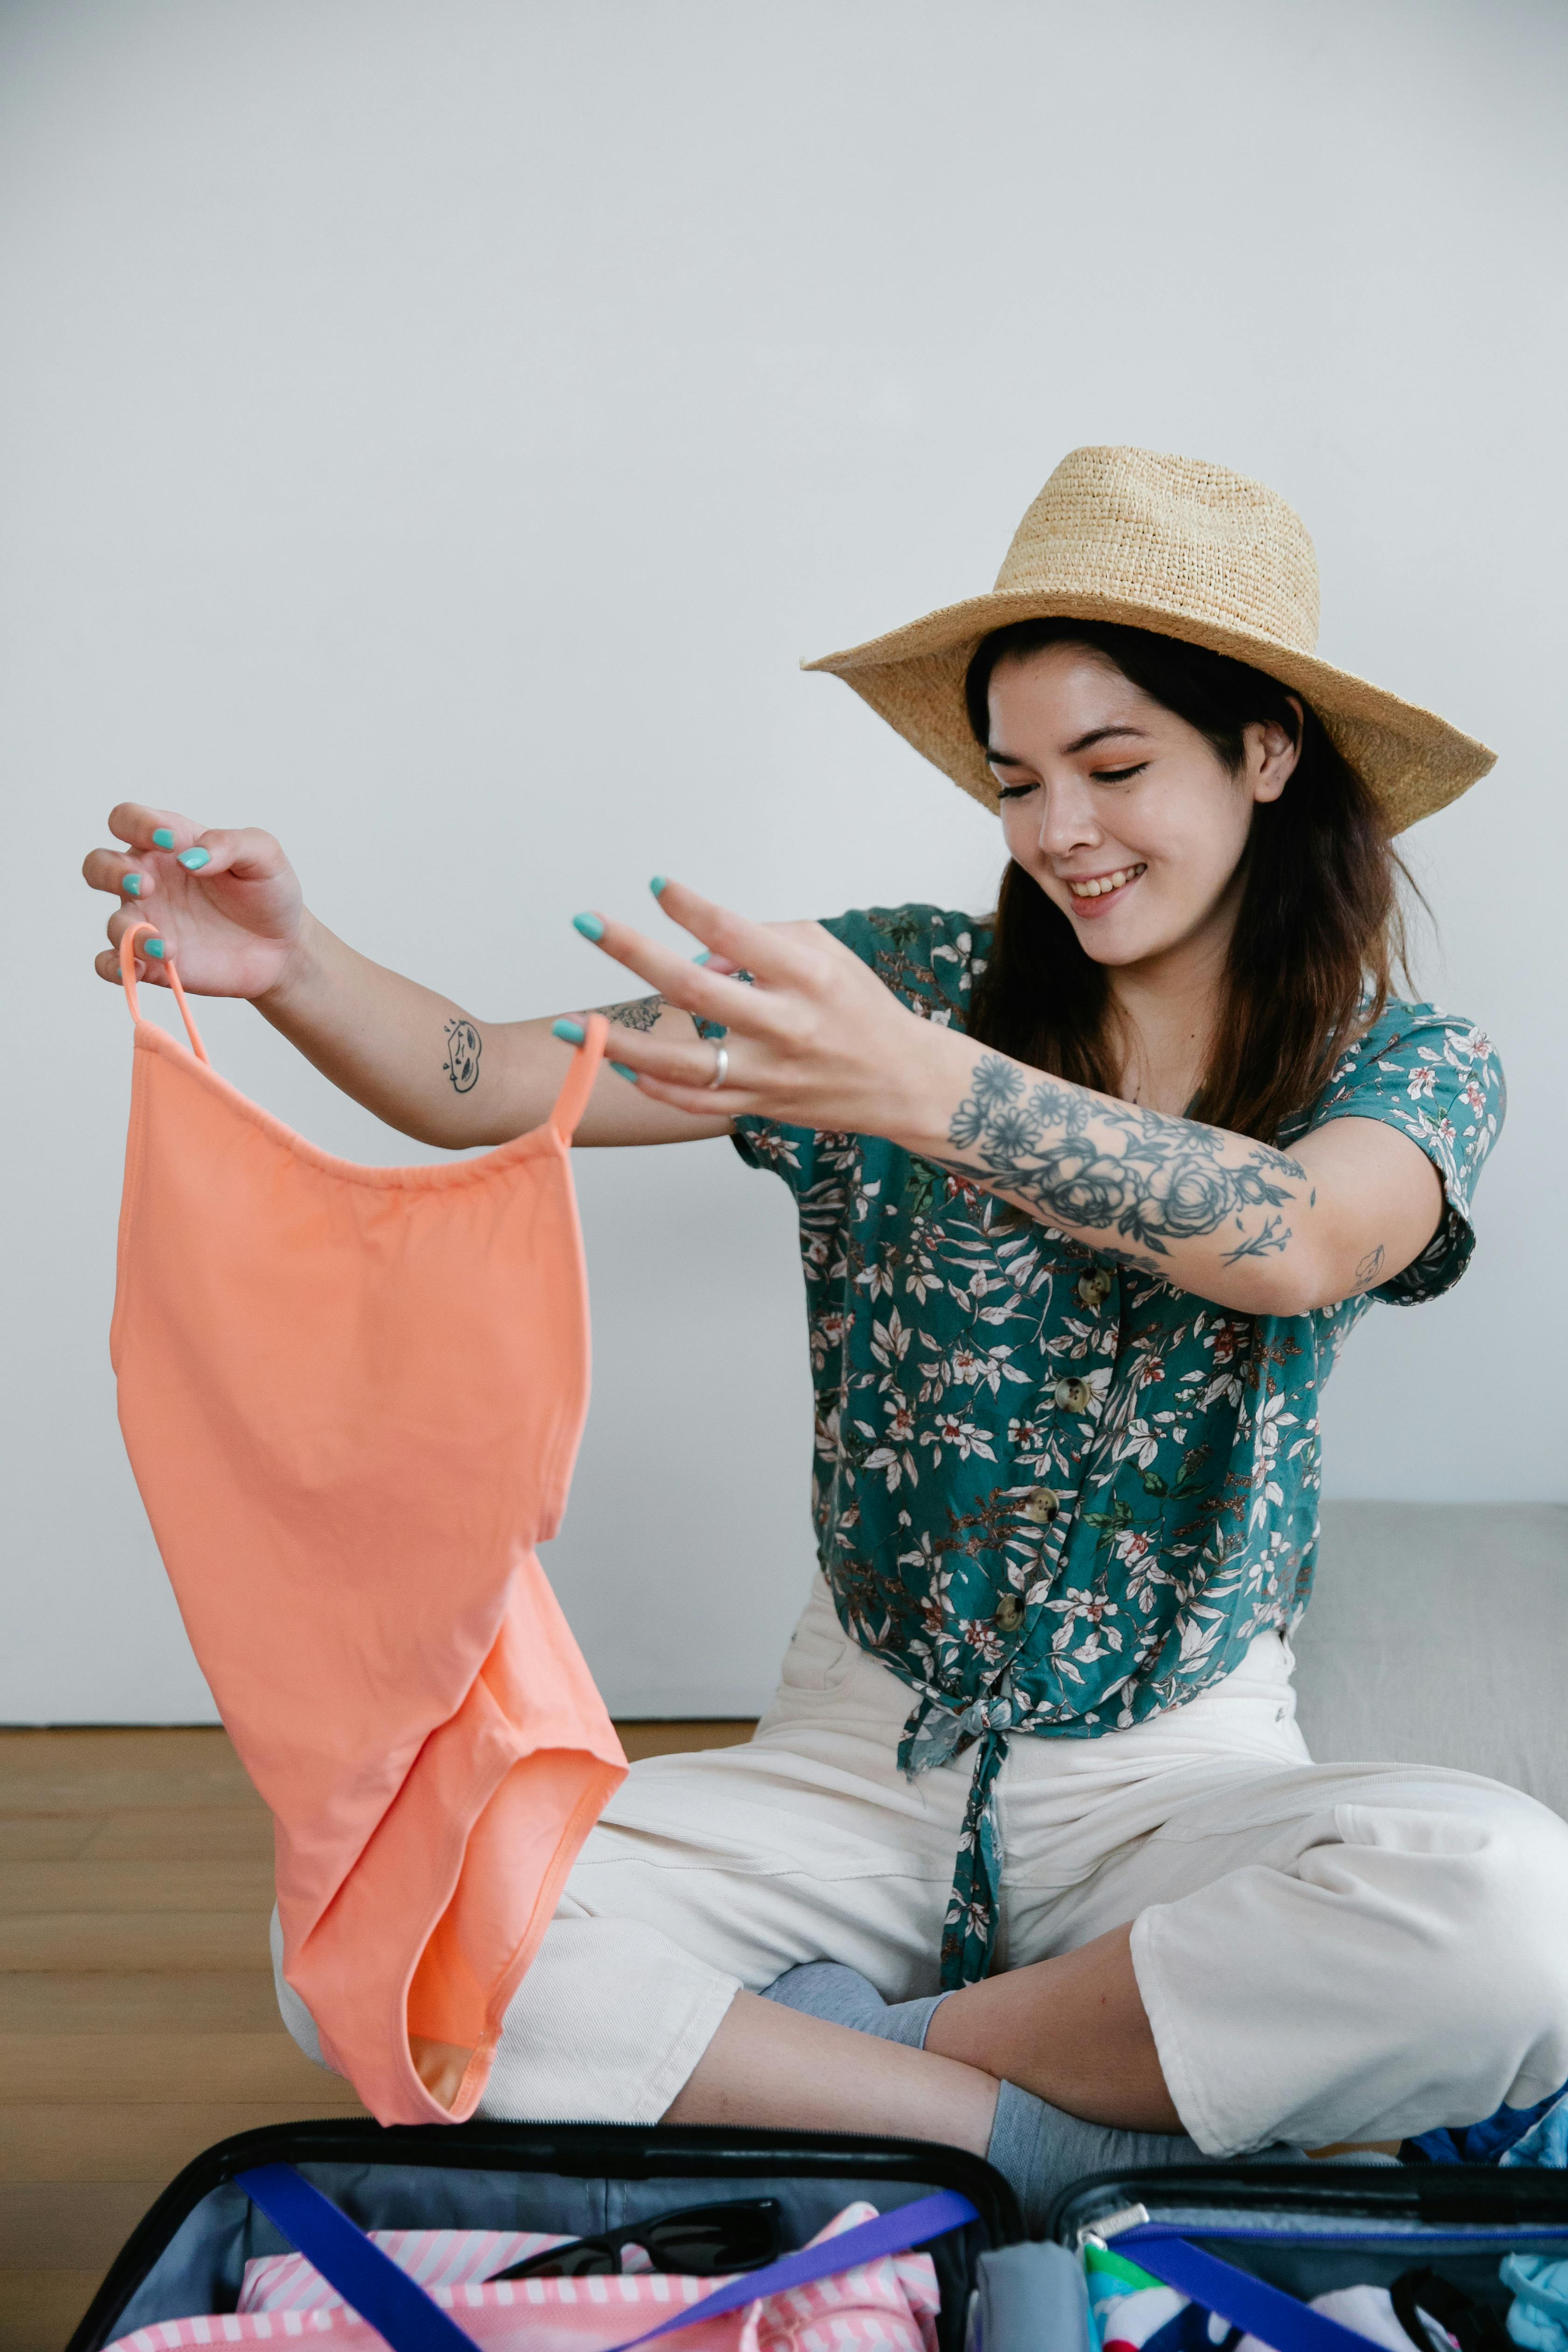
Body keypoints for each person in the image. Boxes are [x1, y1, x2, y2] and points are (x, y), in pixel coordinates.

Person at [82, 447, 1568, 2219]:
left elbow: (1303, 1240)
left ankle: (836, 2064)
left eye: (1113, 768)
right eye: (1017, 782)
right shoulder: (890, 989)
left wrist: (918, 1086)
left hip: (1175, 1777)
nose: (1059, 833)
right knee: (365, 1923)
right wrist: (297, 962)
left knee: (1516, 1912)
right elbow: (484, 1081)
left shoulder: (1404, 1063)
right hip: (855, 1761)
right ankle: (1033, 2139)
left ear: (1266, 754)